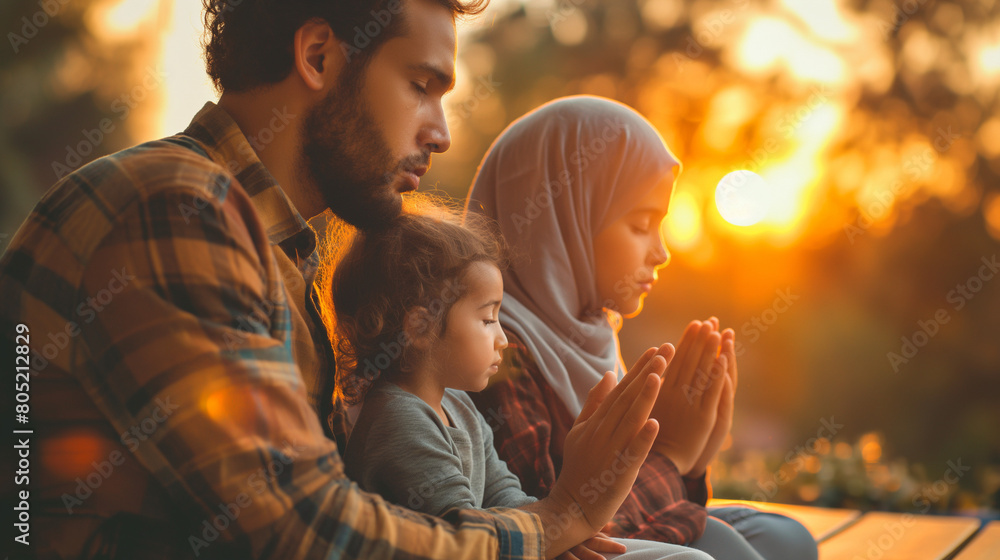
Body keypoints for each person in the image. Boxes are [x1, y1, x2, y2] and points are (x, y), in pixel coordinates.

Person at [0, 3, 671, 559]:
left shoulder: (276, 247)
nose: (439, 134)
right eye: (421, 85)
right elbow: (303, 531)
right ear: (318, 56)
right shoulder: (178, 209)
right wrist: (558, 519)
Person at [465, 95, 819, 560]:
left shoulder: (587, 332)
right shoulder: (497, 351)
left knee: (785, 537)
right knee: (724, 547)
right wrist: (671, 455)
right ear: (564, 219)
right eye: (641, 225)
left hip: (621, 527)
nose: (662, 252)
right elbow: (568, 531)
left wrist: (695, 457)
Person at [331, 202, 714, 560]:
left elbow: (504, 495)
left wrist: (558, 537)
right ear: (419, 326)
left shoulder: (457, 404)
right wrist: (565, 518)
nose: (502, 338)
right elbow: (463, 537)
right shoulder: (398, 419)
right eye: (487, 319)